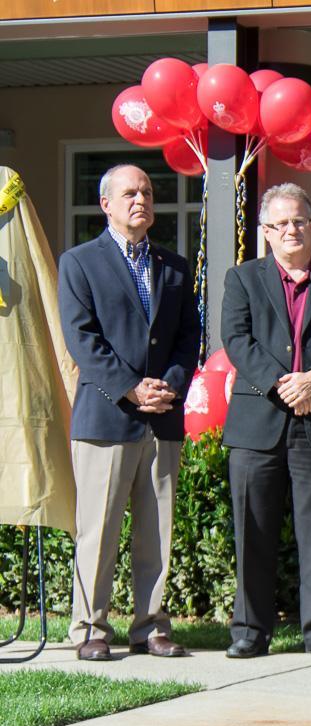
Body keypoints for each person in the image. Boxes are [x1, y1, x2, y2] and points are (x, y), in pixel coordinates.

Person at [57, 163, 200, 661]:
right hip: (106, 419)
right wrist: (131, 390)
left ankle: (151, 625)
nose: (140, 200)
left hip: (162, 417)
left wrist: (169, 387)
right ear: (106, 204)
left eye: (147, 192)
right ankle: (90, 628)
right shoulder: (79, 262)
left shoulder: (175, 267)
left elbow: (188, 340)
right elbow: (83, 340)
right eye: (129, 193)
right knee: (98, 529)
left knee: (156, 530)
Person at [221, 183, 311, 660]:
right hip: (258, 420)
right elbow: (236, 339)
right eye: (280, 223)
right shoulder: (242, 278)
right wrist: (287, 384)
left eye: (299, 221)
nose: (291, 230)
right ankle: (249, 631)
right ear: (265, 232)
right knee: (253, 529)